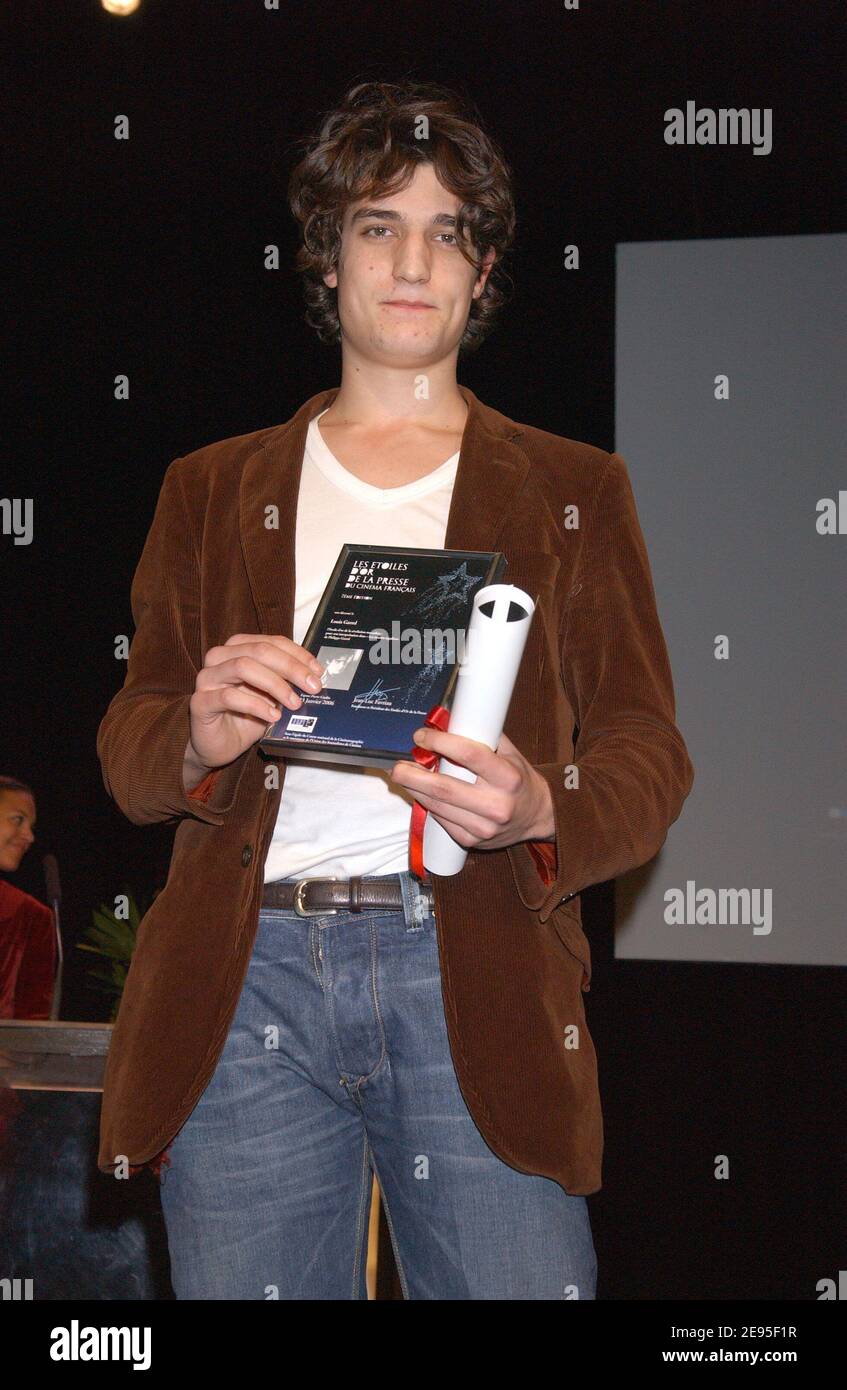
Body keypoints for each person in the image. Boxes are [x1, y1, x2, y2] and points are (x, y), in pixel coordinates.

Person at [96, 80, 694, 1300]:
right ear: (327, 261)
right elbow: (128, 747)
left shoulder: (575, 485)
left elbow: (646, 746)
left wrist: (542, 808)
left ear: (483, 271)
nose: (414, 258)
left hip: (471, 972)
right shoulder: (210, 487)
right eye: (378, 225)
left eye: (449, 231)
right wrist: (198, 730)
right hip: (245, 975)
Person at [0, 776, 55, 1021]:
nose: (29, 836)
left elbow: (33, 1021)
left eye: (31, 826)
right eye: (18, 820)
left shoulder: (31, 917)